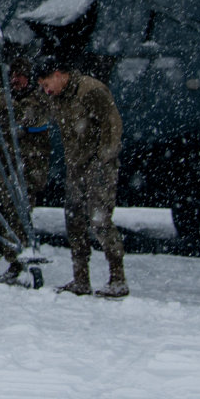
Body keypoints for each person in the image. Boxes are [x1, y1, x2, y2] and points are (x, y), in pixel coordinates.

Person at [36, 56, 127, 297]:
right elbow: (36, 109)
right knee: (74, 220)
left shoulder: (90, 90)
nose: (47, 91)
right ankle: (80, 279)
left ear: (58, 74)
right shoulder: (59, 97)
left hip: (98, 165)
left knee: (100, 220)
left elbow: (112, 123)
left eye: (47, 84)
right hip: (76, 166)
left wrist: (104, 158)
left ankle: (117, 278)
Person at [0, 56, 53, 283]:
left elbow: (24, 117)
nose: (17, 80)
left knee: (18, 214)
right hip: (5, 167)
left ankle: (16, 263)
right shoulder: (10, 98)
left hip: (28, 168)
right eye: (13, 75)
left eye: (22, 76)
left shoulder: (39, 100)